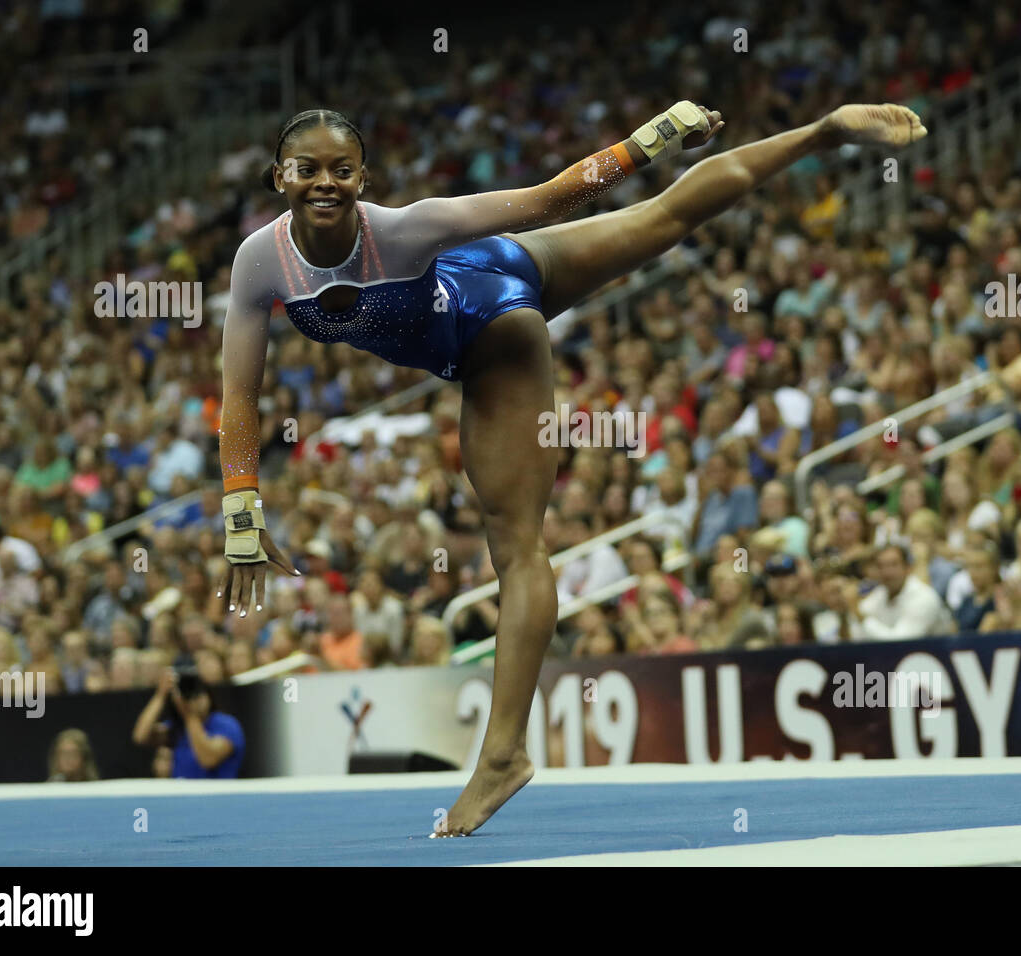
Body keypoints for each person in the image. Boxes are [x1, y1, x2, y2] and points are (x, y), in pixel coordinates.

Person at [215, 103, 927, 836]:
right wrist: (242, 505)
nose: (325, 183)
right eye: (308, 169)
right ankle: (827, 133)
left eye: (342, 169)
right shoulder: (259, 263)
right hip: (483, 279)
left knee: (516, 545)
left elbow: (547, 199)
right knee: (666, 219)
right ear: (279, 177)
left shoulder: (402, 229)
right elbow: (240, 393)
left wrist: (652, 139)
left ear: (364, 176)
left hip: (495, 327)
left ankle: (502, 756)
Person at [131, 669, 245, 779]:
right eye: (189, 696)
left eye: (198, 695)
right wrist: (160, 695)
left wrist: (190, 716)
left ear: (209, 697)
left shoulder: (227, 724)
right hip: (182, 795)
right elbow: (141, 736)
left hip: (216, 796)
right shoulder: (179, 727)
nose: (193, 700)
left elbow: (208, 759)